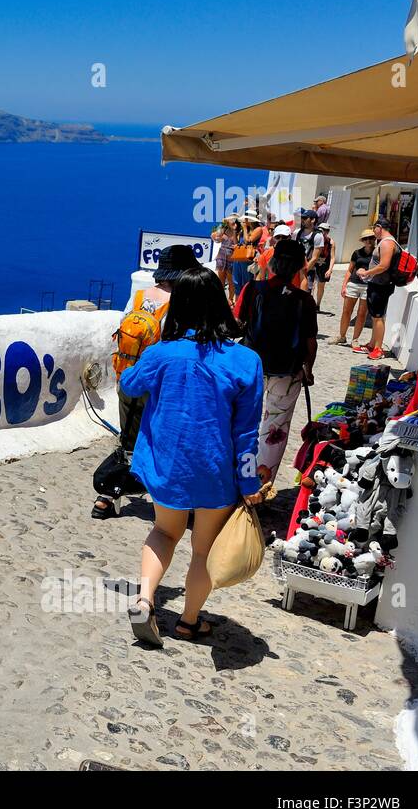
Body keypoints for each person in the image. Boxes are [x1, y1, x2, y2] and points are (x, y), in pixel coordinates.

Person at [120, 268, 264, 645]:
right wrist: (249, 483)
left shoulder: (162, 354)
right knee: (203, 549)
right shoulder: (246, 361)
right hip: (215, 473)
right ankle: (188, 621)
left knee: (164, 531)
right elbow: (247, 432)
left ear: (178, 306)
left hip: (168, 467)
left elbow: (128, 384)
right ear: (221, 303)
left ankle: (144, 599)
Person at [93, 244, 202, 518]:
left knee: (128, 439)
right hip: (159, 384)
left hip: (128, 377)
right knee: (161, 440)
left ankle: (106, 498)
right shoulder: (179, 302)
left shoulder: (140, 295)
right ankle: (173, 503)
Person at [234, 239, 318, 484]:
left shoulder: (253, 289)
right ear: (299, 267)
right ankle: (258, 485)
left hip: (250, 366)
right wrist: (308, 370)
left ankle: (234, 478)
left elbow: (238, 323)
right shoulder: (305, 301)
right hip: (287, 372)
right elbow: (311, 343)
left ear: (271, 263)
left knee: (242, 421)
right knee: (275, 429)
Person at [355, 218, 398, 360]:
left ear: (379, 227)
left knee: (378, 317)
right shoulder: (385, 242)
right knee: (375, 316)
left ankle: (378, 349)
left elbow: (384, 265)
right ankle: (373, 344)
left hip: (381, 285)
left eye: (374, 228)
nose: (373, 232)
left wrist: (366, 273)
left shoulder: (387, 242)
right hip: (377, 283)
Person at [328, 229, 375, 345]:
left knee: (362, 314)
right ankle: (342, 336)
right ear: (362, 241)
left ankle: (355, 339)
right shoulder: (357, 253)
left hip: (368, 286)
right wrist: (344, 285)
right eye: (365, 239)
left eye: (371, 238)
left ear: (374, 239)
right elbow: (349, 270)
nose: (368, 241)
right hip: (353, 284)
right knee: (346, 311)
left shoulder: (377, 254)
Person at [229, 210, 263, 298]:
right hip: (238, 259)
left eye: (246, 219)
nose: (244, 221)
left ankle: (246, 306)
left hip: (248, 260)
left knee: (246, 283)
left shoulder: (258, 229)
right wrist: (234, 231)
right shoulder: (243, 230)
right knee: (236, 282)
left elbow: (248, 240)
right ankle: (238, 305)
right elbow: (237, 242)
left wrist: (244, 228)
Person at [211, 216, 237, 305]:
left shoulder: (237, 231)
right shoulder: (223, 230)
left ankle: (230, 300)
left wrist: (234, 230)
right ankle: (220, 300)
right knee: (221, 280)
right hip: (222, 255)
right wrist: (222, 226)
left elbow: (236, 243)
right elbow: (215, 238)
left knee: (231, 281)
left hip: (232, 256)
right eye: (231, 221)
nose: (233, 222)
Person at [311, 221, 335, 308]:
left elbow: (332, 257)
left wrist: (330, 269)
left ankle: (318, 305)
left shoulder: (331, 242)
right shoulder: (315, 238)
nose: (322, 232)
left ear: (327, 231)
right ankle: (310, 303)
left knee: (321, 286)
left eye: (325, 230)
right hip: (314, 264)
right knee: (311, 284)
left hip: (324, 265)